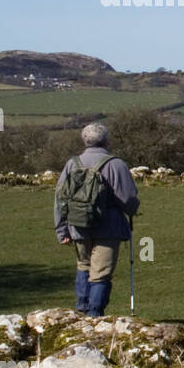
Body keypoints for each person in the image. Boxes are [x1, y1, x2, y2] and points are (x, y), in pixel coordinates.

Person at [54, 123, 140, 316]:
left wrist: (62, 230)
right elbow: (128, 199)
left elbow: (60, 198)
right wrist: (133, 210)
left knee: (84, 266)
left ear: (85, 140)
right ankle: (95, 316)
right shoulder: (116, 164)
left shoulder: (72, 163)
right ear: (106, 140)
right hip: (108, 227)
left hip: (77, 226)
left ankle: (82, 312)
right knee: (100, 273)